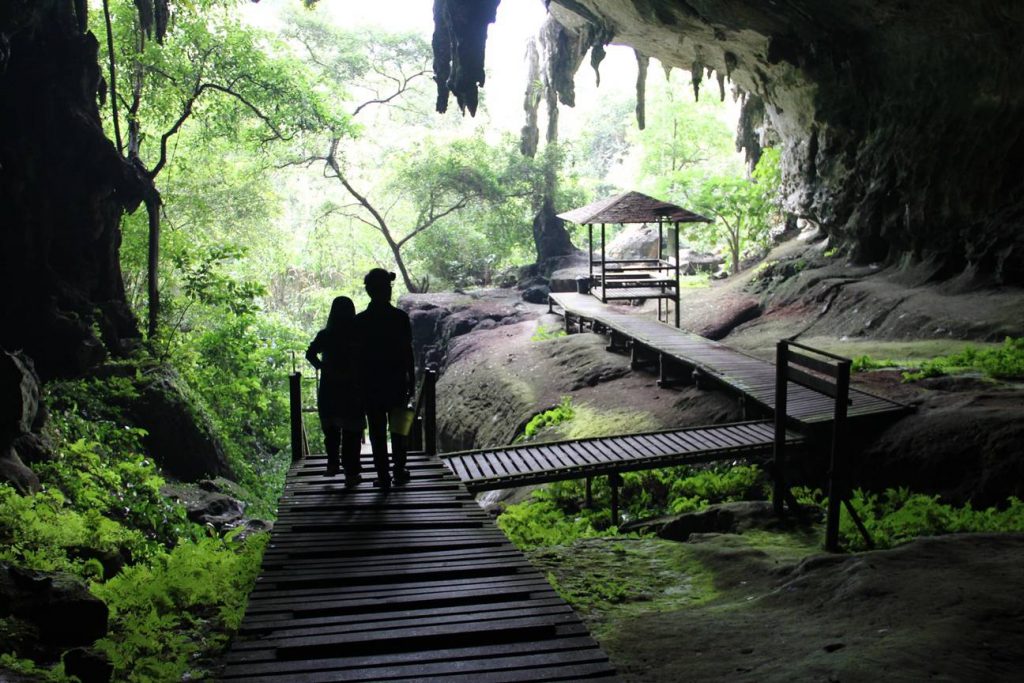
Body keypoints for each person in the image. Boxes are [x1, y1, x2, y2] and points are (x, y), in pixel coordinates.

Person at [353, 268, 415, 490]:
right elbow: (408, 352)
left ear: (369, 291)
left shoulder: (360, 321)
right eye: (387, 287)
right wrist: (412, 379)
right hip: (396, 382)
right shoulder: (400, 318)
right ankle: (399, 470)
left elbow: (356, 357)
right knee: (399, 429)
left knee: (377, 432)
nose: (389, 291)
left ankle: (383, 475)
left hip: (371, 385)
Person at [306, 296, 364, 485]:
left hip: (330, 387)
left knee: (331, 430)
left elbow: (310, 353)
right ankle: (352, 472)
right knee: (352, 432)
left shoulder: (326, 334)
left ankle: (333, 464)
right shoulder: (357, 335)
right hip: (352, 387)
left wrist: (322, 367)